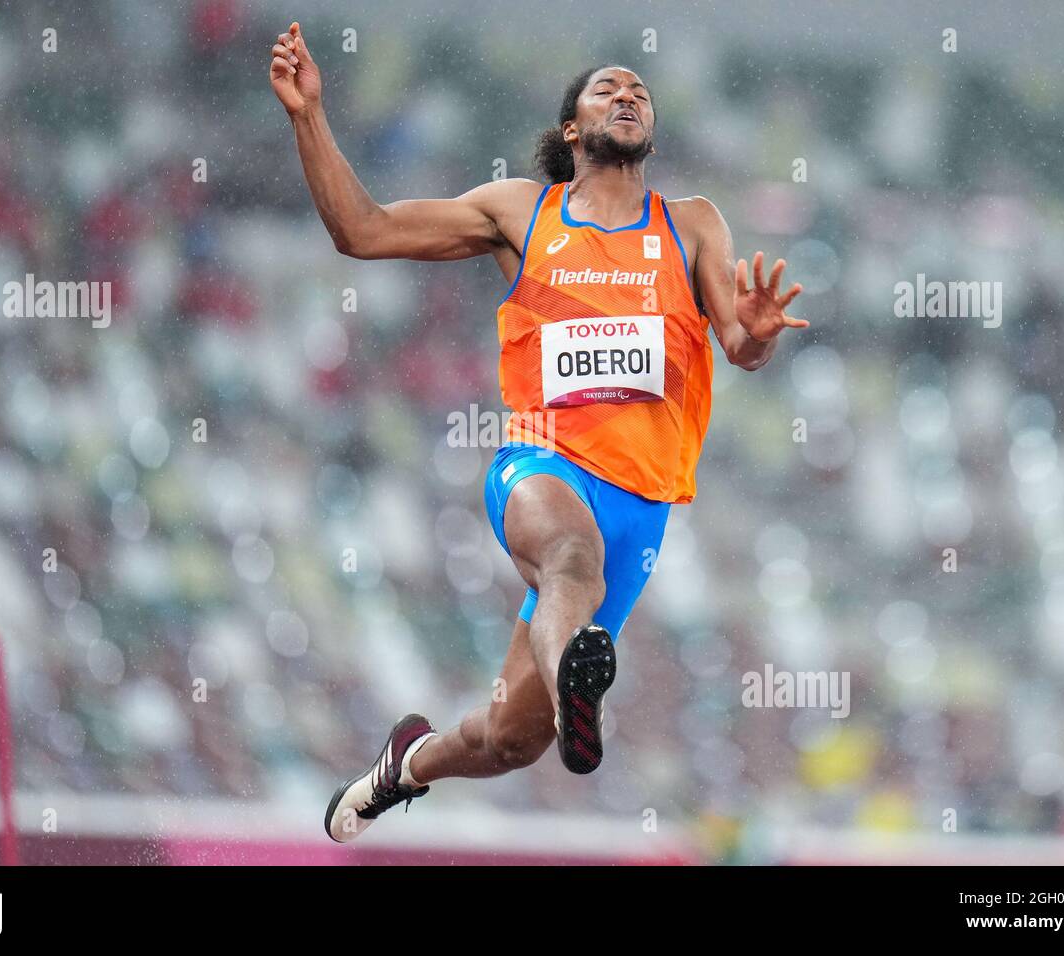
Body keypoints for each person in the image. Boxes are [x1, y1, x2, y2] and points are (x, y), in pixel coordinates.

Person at [268, 21, 809, 844]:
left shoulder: (692, 224)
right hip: (542, 464)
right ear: (571, 128)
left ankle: (404, 767)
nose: (628, 96)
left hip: (644, 505)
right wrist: (309, 116)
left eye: (641, 92)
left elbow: (737, 347)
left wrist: (759, 331)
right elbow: (364, 231)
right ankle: (576, 679)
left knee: (512, 740)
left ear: (651, 131)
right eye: (608, 88)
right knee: (570, 561)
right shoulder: (522, 212)